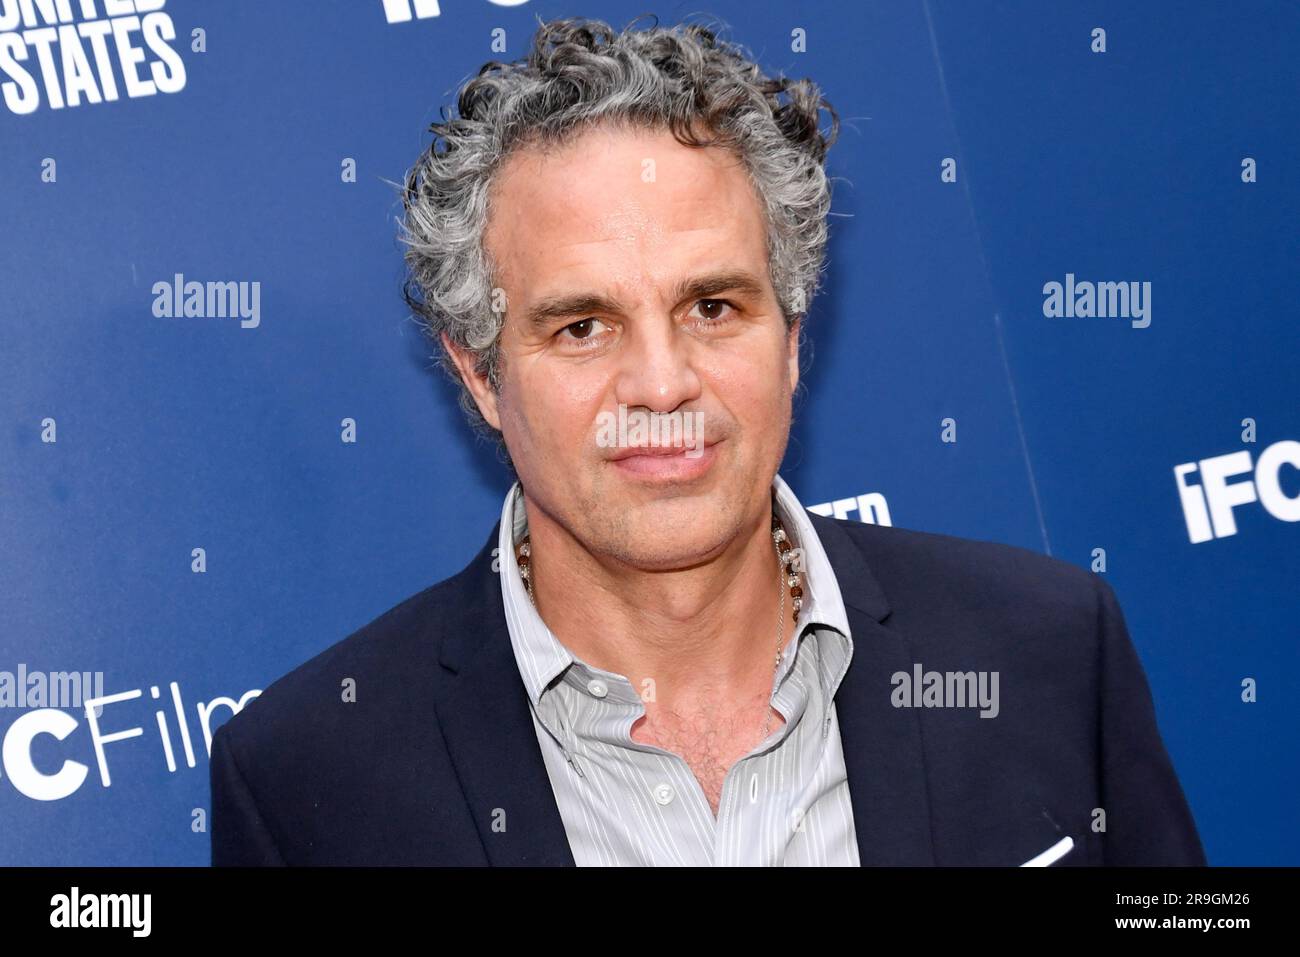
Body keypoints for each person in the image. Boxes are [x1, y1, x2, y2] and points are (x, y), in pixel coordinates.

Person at [209, 15, 1205, 866]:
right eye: (581, 327)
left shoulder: (1047, 650)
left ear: (791, 337)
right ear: (481, 374)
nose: (662, 384)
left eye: (714, 306)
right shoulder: (310, 779)